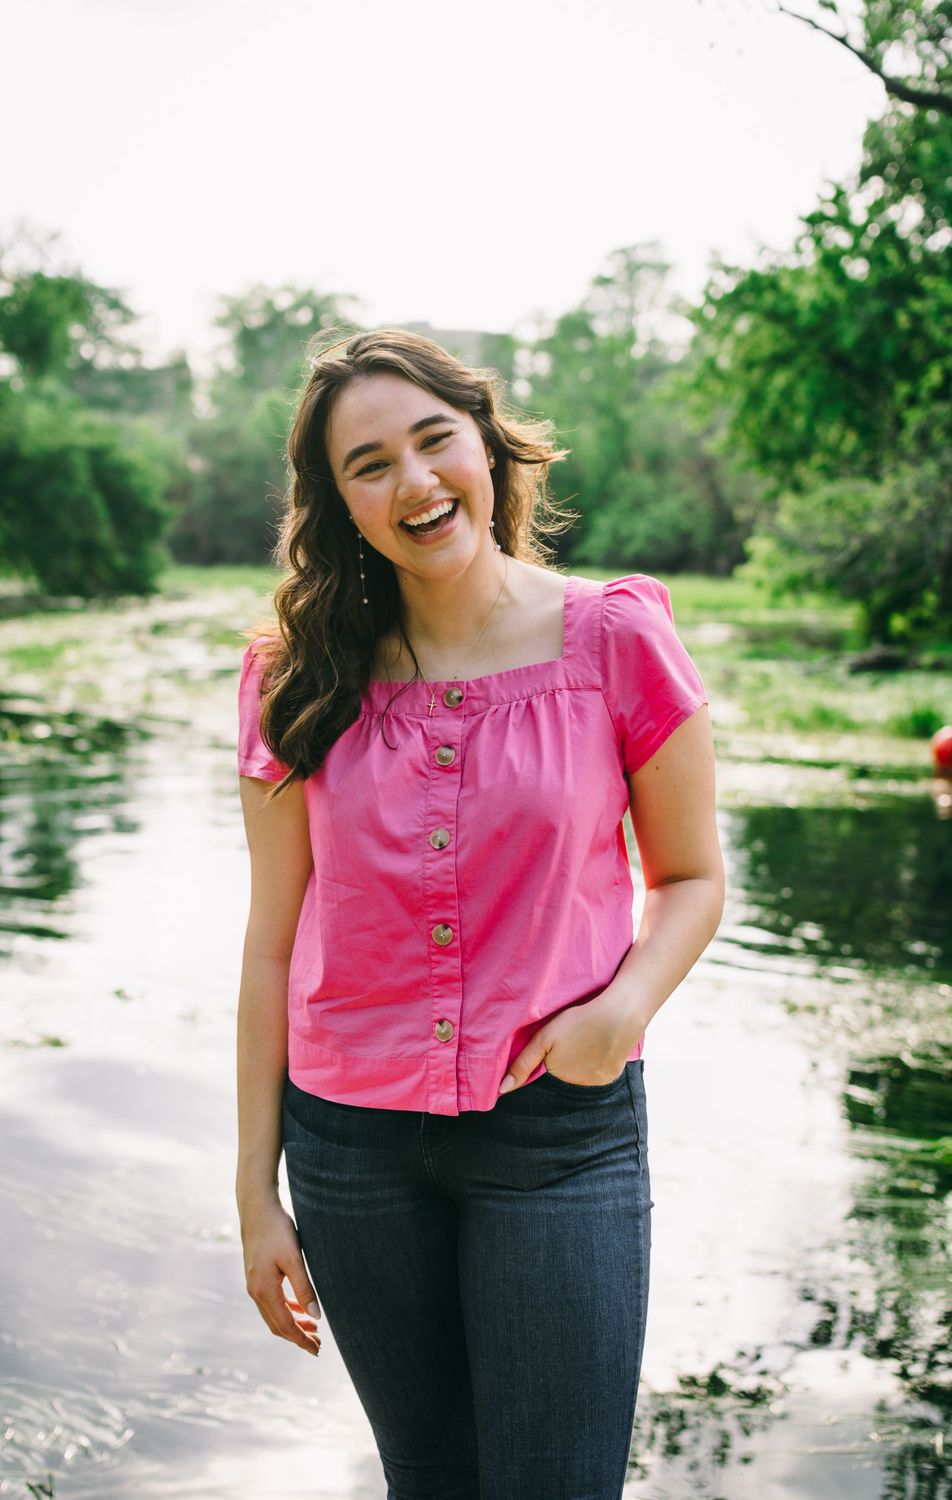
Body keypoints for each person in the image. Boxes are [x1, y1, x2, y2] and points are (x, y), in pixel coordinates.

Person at [234, 327, 724, 1500]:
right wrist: (254, 1192)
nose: (413, 482)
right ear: (337, 502)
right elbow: (268, 947)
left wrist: (621, 1010)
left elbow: (693, 879)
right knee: (430, 1482)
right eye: (368, 464)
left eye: (432, 440)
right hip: (349, 1149)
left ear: (487, 447)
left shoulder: (616, 639)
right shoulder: (292, 677)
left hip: (560, 1135)